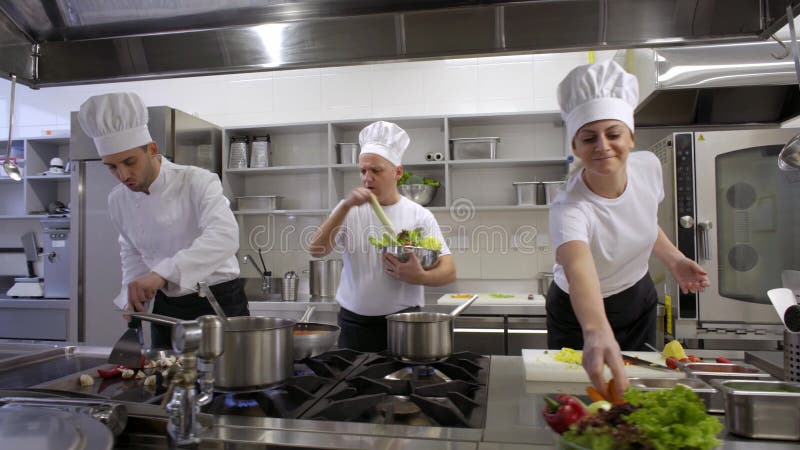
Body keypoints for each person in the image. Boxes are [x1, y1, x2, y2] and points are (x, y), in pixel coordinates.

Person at [547, 60, 709, 399]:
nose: (603, 145)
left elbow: (644, 221)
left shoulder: (648, 168)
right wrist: (595, 330)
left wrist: (675, 259)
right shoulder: (569, 207)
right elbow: (578, 268)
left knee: (636, 395)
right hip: (578, 311)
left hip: (636, 298)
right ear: (575, 148)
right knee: (580, 397)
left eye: (613, 134)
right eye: (589, 138)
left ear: (631, 138)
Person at [78, 92, 249, 348]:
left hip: (216, 300)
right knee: (162, 380)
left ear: (152, 149)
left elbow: (224, 237)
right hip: (165, 307)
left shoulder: (196, 181)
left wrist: (161, 274)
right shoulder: (118, 200)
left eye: (129, 162)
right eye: (112, 167)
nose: (123, 175)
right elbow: (132, 250)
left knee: (226, 382)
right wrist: (131, 293)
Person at [309, 121, 456, 352]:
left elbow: (449, 271)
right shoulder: (347, 209)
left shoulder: (419, 215)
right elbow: (316, 250)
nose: (367, 178)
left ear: (398, 172)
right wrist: (345, 207)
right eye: (363, 170)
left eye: (376, 170)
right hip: (353, 325)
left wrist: (420, 277)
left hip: (404, 324)